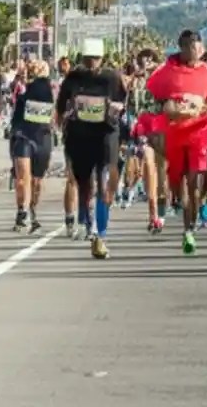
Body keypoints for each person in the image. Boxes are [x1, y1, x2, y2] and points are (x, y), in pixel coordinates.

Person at [145, 30, 207, 255]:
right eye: (193, 48)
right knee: (177, 183)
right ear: (182, 48)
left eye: (199, 48)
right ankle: (179, 209)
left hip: (199, 135)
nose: (197, 52)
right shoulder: (166, 72)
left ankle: (188, 230)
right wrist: (170, 107)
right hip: (173, 134)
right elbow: (154, 96)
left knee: (193, 183)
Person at [55, 38, 127, 259]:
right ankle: (87, 222)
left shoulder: (113, 78)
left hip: (106, 134)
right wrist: (64, 120)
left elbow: (124, 105)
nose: (91, 63)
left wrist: (112, 108)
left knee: (104, 179)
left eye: (95, 58)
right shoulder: (73, 78)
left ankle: (100, 231)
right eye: (87, 58)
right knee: (85, 183)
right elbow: (60, 105)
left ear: (102, 58)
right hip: (80, 135)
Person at [11, 60, 55, 233]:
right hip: (23, 136)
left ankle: (32, 208)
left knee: (36, 181)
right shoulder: (22, 89)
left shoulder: (52, 90)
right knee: (22, 177)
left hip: (42, 138)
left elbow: (57, 114)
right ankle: (22, 212)